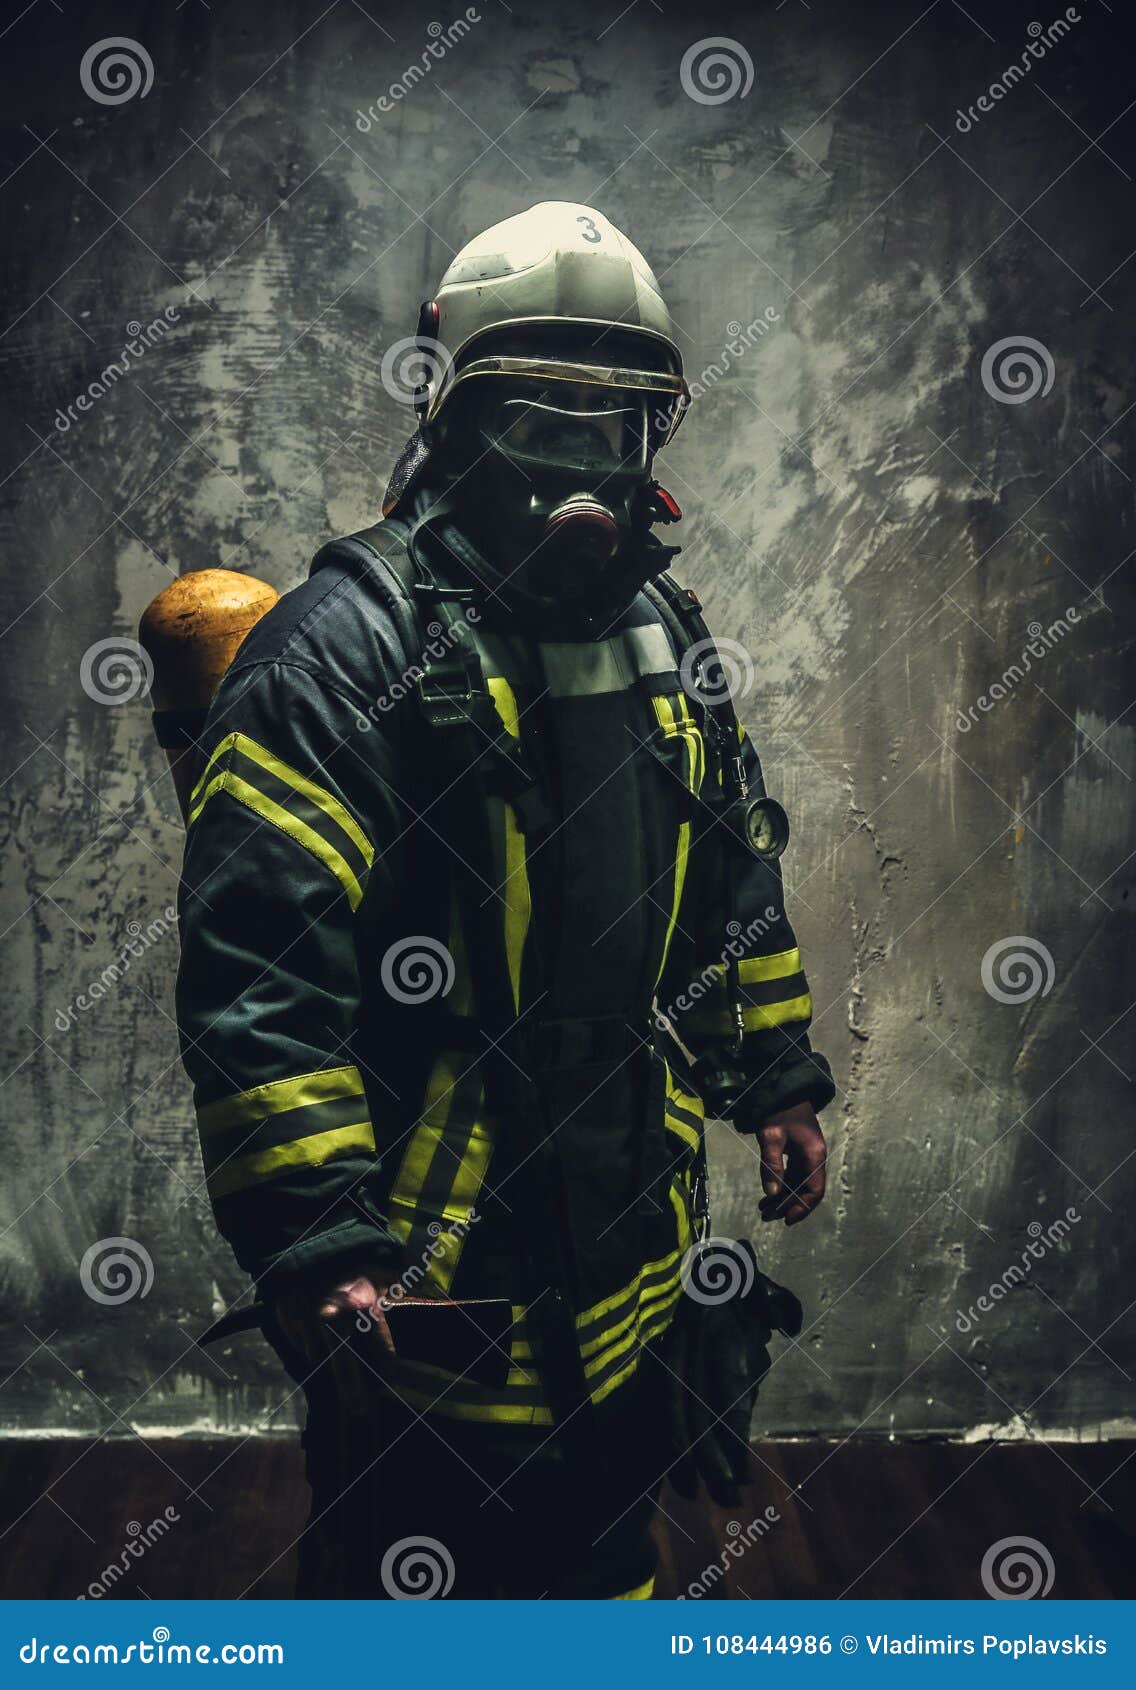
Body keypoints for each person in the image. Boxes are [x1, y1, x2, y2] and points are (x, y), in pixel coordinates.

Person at [175, 201, 834, 1599]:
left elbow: (733, 881)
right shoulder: (344, 648)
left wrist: (774, 1078)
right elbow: (262, 972)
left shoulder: (670, 636)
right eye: (540, 417)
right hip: (429, 1277)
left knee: (606, 1553)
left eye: (612, 425)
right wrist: (324, 1236)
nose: (580, 466)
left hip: (633, 1245)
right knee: (403, 1576)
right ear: (459, 415)